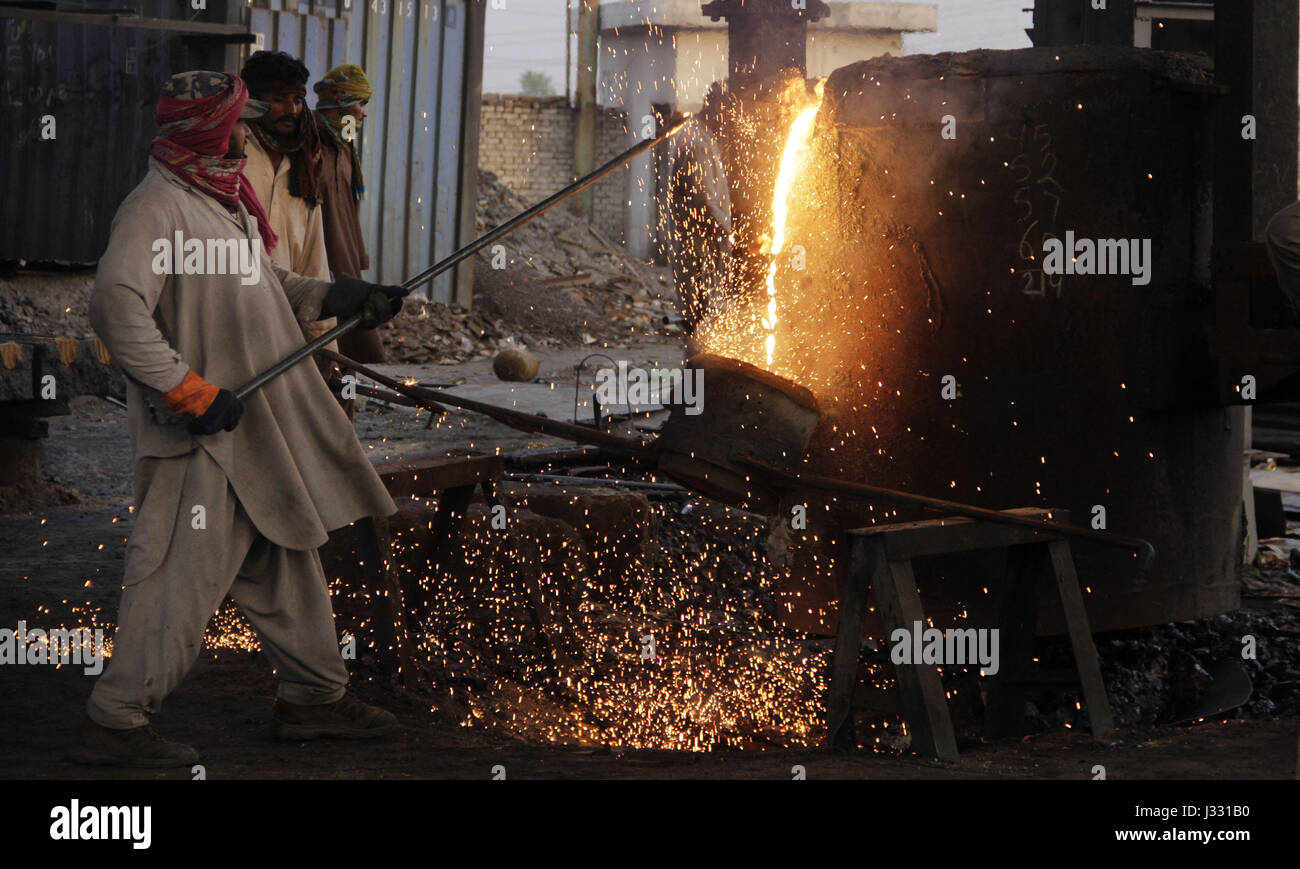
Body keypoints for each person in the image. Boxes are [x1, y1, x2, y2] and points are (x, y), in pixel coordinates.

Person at [77, 70, 409, 767]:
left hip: (254, 427)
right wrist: (186, 391)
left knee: (287, 555)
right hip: (202, 439)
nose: (245, 131)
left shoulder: (222, 201)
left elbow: (269, 286)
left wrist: (342, 295)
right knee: (173, 578)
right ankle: (116, 720)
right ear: (207, 127)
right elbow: (115, 306)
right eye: (236, 121)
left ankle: (315, 698)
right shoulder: (157, 208)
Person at [239, 51, 353, 413]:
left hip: (288, 323)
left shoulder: (304, 160)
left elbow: (312, 261)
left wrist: (327, 349)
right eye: (277, 99)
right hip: (234, 321)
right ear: (252, 101)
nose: (291, 109)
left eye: (298, 99)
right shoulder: (231, 154)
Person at [314, 63, 387, 364]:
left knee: (349, 345)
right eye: (361, 103)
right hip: (317, 255)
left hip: (343, 254)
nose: (364, 113)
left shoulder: (345, 147)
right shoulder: (310, 142)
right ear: (340, 102)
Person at [669, 82, 734, 332]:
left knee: (703, 308)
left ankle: (701, 363)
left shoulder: (703, 137)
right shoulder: (697, 142)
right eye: (725, 112)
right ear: (714, 107)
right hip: (699, 242)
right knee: (701, 309)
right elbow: (701, 198)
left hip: (703, 240)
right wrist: (726, 228)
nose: (728, 119)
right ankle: (700, 366)